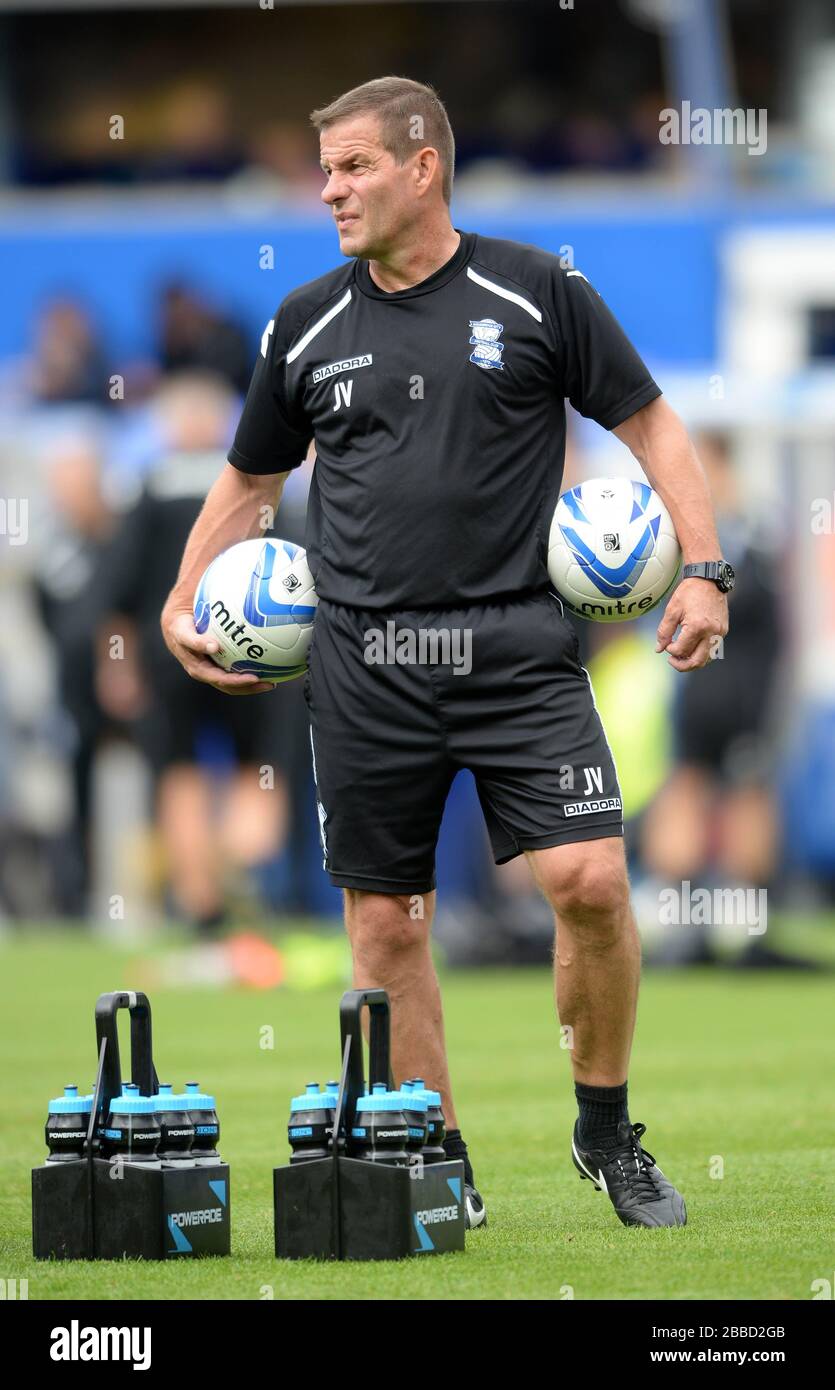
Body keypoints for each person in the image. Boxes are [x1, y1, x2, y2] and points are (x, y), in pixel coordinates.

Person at [162, 77, 731, 1231]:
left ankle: (605, 1129)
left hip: (519, 654)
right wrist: (182, 597)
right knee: (386, 928)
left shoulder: (536, 290)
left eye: (354, 167)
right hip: (366, 670)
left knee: (591, 885)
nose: (329, 190)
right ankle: (441, 1158)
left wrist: (706, 568)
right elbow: (250, 478)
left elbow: (650, 422)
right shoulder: (306, 321)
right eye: (324, 171)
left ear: (424, 169)